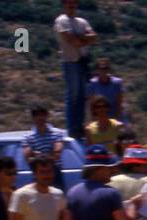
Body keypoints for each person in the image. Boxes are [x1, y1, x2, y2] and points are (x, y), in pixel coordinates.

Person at [54, 0, 97, 141]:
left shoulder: (82, 21)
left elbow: (94, 37)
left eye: (74, 3)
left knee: (82, 97)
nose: (71, 6)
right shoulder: (62, 21)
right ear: (64, 5)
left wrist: (80, 39)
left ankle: (79, 127)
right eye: (69, 4)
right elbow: (73, 41)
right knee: (73, 96)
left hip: (83, 62)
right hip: (70, 62)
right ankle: (72, 128)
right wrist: (84, 39)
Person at [22, 106, 66, 188]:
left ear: (46, 116)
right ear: (33, 118)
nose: (39, 118)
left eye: (42, 115)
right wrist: (49, 155)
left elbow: (57, 152)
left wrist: (37, 155)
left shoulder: (57, 133)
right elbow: (27, 158)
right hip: (38, 174)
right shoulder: (28, 137)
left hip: (55, 173)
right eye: (36, 115)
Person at [85, 57, 125, 123]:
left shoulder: (117, 83)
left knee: (127, 131)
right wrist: (93, 121)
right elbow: (90, 105)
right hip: (99, 118)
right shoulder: (92, 84)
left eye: (106, 68)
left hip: (114, 116)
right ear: (97, 70)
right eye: (101, 69)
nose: (104, 71)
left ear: (109, 69)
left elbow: (118, 103)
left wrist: (116, 121)